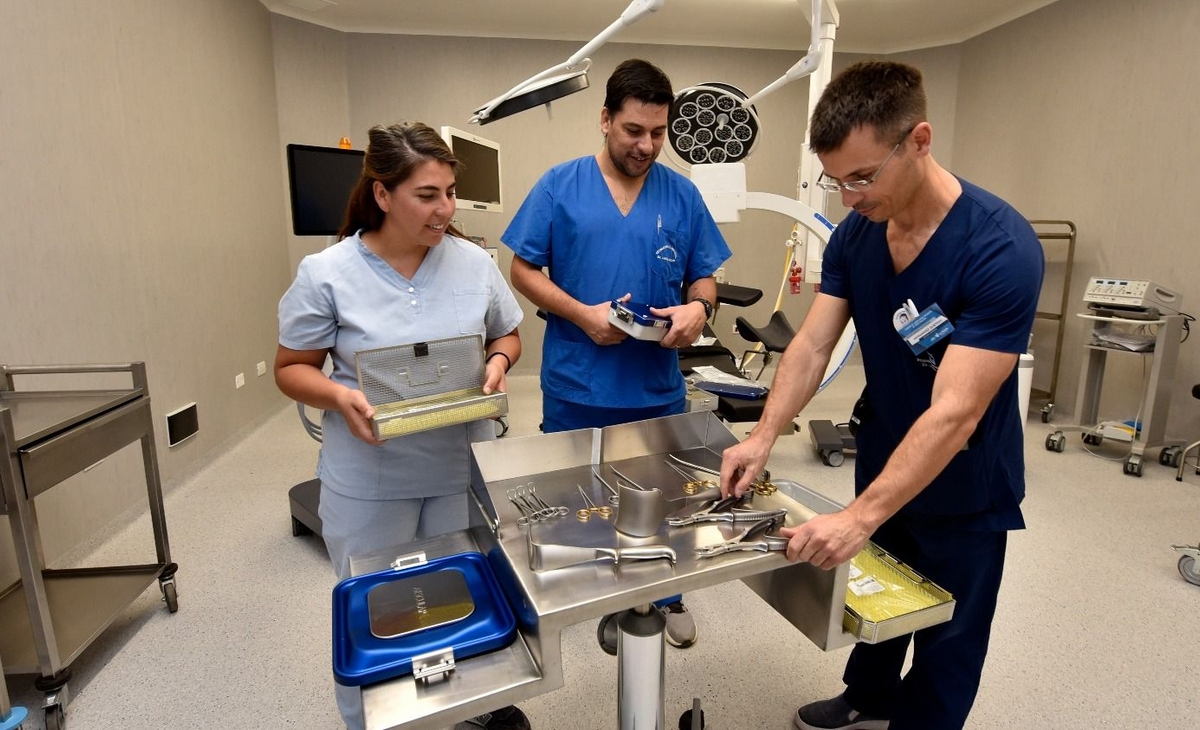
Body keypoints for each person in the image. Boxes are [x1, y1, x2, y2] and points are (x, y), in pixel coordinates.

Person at [719, 61, 1044, 730]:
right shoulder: (856, 236)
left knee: (949, 633)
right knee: (876, 589)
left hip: (966, 481)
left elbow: (956, 414)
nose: (848, 197)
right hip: (885, 446)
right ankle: (867, 694)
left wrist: (858, 517)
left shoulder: (998, 249)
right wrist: (761, 435)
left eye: (863, 177)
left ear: (918, 140)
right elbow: (811, 346)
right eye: (836, 180)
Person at [275, 121, 530, 730]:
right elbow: (291, 369)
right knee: (379, 610)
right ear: (383, 194)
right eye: (427, 195)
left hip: (459, 468)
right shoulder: (327, 272)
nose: (445, 209)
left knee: (459, 598)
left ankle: (460, 714)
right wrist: (341, 397)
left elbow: (508, 332)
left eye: (449, 193)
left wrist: (497, 361)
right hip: (369, 475)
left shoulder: (473, 263)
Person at [502, 58, 731, 653]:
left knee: (659, 497)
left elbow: (704, 276)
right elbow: (521, 267)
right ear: (605, 120)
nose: (647, 145)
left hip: (655, 386)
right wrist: (582, 314)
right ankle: (600, 594)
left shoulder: (681, 194)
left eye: (658, 132)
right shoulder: (560, 185)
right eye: (634, 130)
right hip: (577, 382)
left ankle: (663, 593)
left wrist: (698, 310)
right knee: (581, 500)